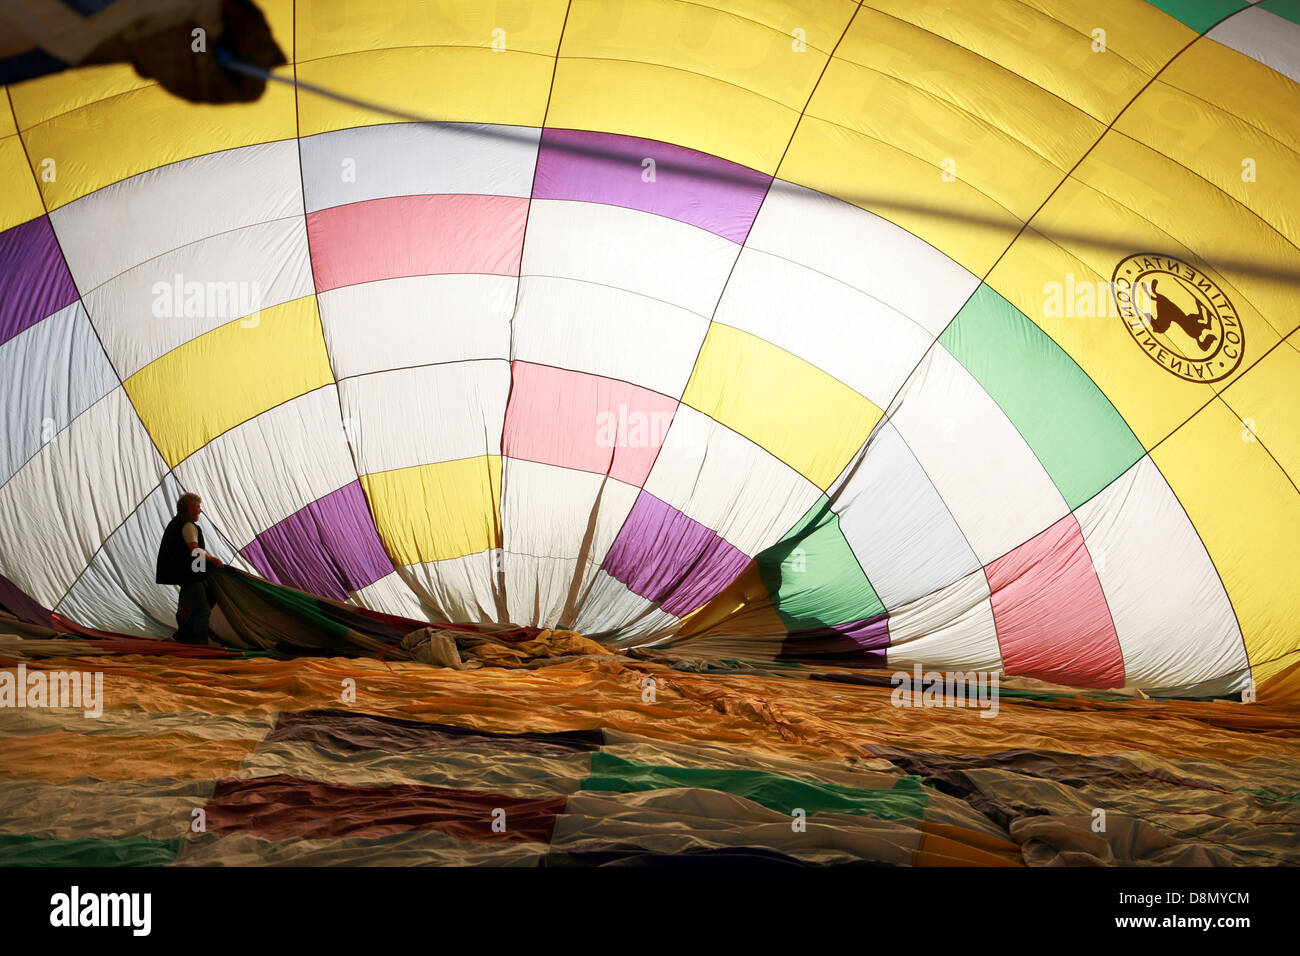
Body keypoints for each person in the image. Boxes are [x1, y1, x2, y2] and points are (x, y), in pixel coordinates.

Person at [155, 492, 224, 645]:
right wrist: (212, 559)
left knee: (192, 609)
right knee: (202, 610)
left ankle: (179, 638)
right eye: (198, 507)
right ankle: (198, 645)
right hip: (189, 576)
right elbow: (194, 549)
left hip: (184, 574)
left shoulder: (175, 523)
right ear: (190, 509)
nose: (200, 511)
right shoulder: (187, 525)